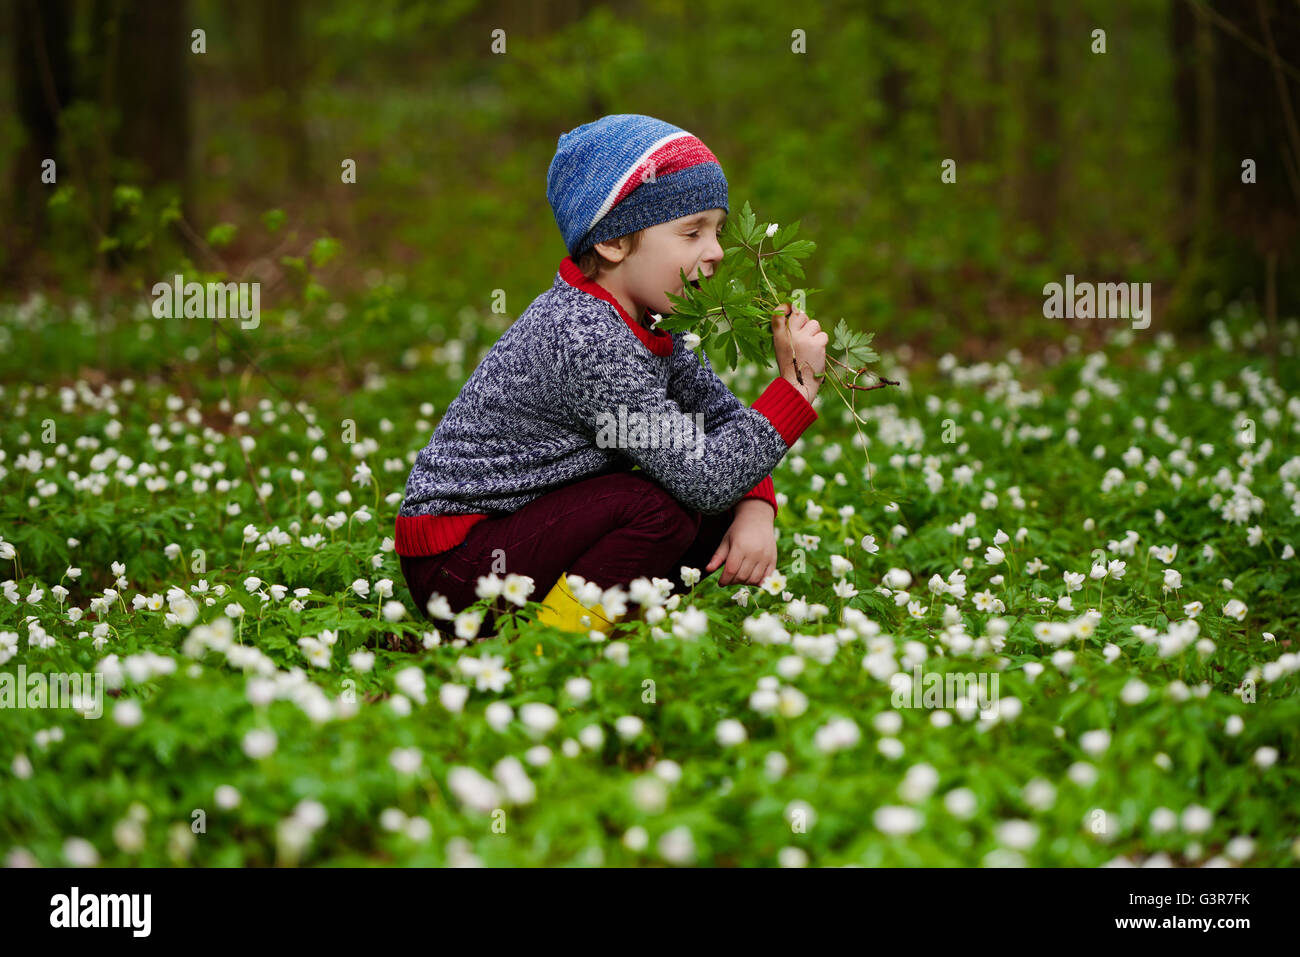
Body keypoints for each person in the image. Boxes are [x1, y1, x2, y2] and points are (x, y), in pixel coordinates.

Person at [395, 113, 828, 638]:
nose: (715, 251)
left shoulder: (655, 322)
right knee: (661, 507)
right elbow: (706, 476)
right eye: (692, 232)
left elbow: (719, 423)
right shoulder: (586, 335)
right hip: (461, 562)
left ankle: (618, 631)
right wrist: (796, 389)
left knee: (701, 512)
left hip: (527, 531)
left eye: (716, 230)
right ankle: (551, 650)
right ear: (613, 243)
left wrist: (758, 507)